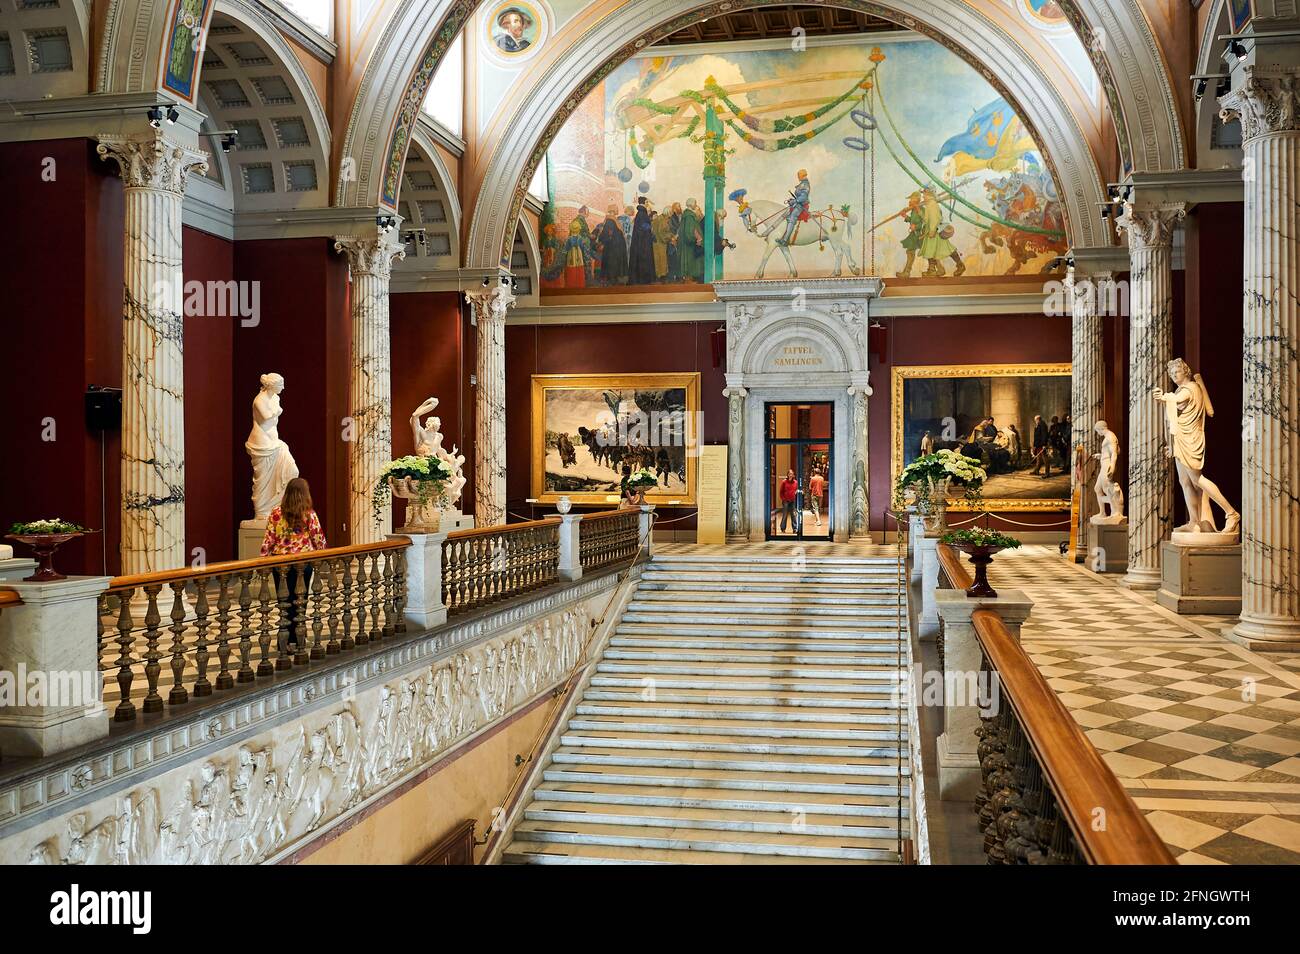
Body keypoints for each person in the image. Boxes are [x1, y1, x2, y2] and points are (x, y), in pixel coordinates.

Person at [260, 478, 327, 646]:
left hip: (280, 563)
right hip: (303, 563)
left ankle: (285, 637)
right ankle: (298, 637)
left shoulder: (276, 513)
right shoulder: (309, 514)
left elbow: (268, 540)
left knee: (284, 601)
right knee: (300, 600)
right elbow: (319, 539)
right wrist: (323, 555)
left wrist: (262, 562)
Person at [778, 169, 811, 246]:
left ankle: (785, 240)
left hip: (801, 205)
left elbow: (803, 197)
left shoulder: (805, 184)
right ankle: (782, 236)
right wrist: (793, 200)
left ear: (802, 176)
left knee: (792, 217)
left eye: (798, 176)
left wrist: (795, 201)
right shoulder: (802, 184)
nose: (798, 177)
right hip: (798, 203)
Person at [628, 197, 656, 284]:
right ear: (645, 202)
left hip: (640, 241)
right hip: (643, 242)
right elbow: (644, 227)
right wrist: (650, 228)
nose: (648, 203)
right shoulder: (642, 213)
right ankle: (644, 280)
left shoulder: (640, 213)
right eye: (647, 202)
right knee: (643, 260)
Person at [778, 469, 799, 533]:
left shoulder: (796, 482)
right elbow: (781, 492)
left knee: (793, 515)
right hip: (785, 501)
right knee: (785, 515)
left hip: (792, 500)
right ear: (787, 475)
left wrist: (796, 494)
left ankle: (795, 528)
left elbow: (796, 490)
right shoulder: (784, 482)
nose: (790, 475)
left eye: (792, 474)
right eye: (789, 474)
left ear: (793, 475)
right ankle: (783, 528)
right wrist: (783, 499)